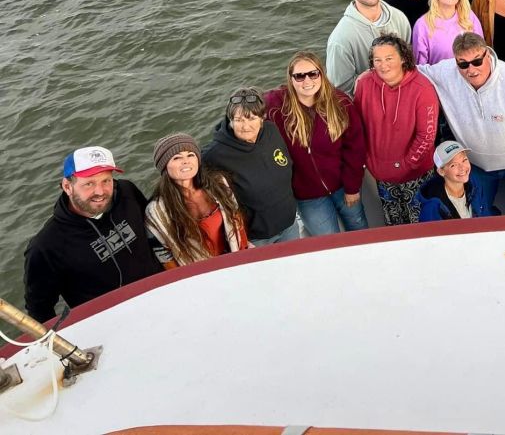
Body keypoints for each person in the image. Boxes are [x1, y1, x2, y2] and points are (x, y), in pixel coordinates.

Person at [24, 146, 160, 323]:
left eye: (106, 181)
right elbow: (39, 311)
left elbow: (153, 232)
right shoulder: (45, 246)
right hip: (112, 324)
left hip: (159, 294)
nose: (100, 191)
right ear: (67, 186)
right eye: (89, 183)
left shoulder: (127, 191)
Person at [419, 33, 505, 214]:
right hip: (476, 166)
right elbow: (415, 71)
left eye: (477, 61)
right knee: (479, 214)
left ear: (487, 54)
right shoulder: (446, 72)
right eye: (463, 64)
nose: (471, 70)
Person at [265, 52, 366, 236]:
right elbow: (245, 112)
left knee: (360, 232)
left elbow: (355, 150)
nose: (307, 81)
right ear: (290, 79)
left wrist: (352, 188)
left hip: (343, 186)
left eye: (313, 74)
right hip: (308, 196)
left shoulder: (341, 103)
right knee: (328, 242)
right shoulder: (276, 106)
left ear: (321, 74)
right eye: (299, 76)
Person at [355, 35, 440, 226]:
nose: (383, 65)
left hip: (416, 174)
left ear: (402, 58)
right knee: (394, 224)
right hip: (381, 174)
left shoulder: (423, 89)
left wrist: (405, 165)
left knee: (422, 225)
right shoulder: (364, 84)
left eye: (389, 58)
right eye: (377, 60)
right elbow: (358, 126)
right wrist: (369, 160)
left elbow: (426, 136)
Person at [202, 87, 299, 246]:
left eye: (251, 118)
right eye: (239, 120)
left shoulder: (271, 131)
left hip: (289, 225)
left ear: (262, 118)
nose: (246, 126)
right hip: (257, 238)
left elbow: (287, 164)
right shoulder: (214, 154)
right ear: (231, 121)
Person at [145, 133, 250, 267]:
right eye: (177, 157)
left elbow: (236, 218)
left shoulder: (218, 183)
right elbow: (164, 255)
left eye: (190, 155)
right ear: (164, 166)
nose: (186, 161)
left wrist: (244, 254)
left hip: (235, 259)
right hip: (200, 272)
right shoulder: (156, 211)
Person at [326, 0, 412, 95]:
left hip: (403, 94)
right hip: (367, 103)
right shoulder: (341, 38)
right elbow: (341, 90)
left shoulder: (399, 18)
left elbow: (408, 60)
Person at [411, 0, 484, 65]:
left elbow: (482, 52)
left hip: (470, 73)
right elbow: (420, 67)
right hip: (437, 74)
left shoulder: (469, 17)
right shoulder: (422, 25)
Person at [415, 142, 493, 221]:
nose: (462, 168)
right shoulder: (432, 206)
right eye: (453, 165)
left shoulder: (474, 182)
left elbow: (485, 216)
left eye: (464, 160)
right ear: (441, 172)